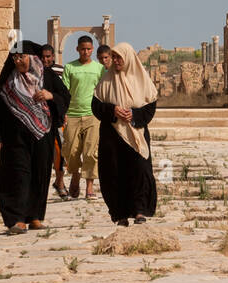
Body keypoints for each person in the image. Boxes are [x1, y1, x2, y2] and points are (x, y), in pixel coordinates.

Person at [0, 44, 56, 232]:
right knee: (17, 176)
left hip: (42, 137)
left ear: (32, 58)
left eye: (21, 57)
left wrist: (50, 96)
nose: (17, 61)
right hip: (13, 139)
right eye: (14, 58)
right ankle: (16, 219)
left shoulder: (46, 76)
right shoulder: (8, 81)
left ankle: (34, 216)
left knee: (39, 175)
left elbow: (63, 96)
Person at [91, 42, 158, 225]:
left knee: (140, 170)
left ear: (128, 58)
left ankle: (139, 211)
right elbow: (96, 106)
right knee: (113, 173)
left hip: (136, 133)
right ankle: (119, 213)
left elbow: (150, 106)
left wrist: (134, 114)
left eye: (119, 57)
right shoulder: (107, 79)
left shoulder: (141, 79)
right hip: (112, 135)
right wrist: (113, 110)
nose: (115, 60)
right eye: (114, 57)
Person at [62, 35, 105, 199]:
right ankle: (75, 174)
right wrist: (63, 113)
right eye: (82, 49)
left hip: (92, 115)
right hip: (72, 115)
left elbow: (103, 91)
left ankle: (89, 187)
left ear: (92, 50)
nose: (85, 52)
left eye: (88, 49)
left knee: (91, 153)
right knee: (71, 151)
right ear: (77, 49)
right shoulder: (70, 67)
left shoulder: (99, 69)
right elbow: (65, 92)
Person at [42, 44, 69, 195]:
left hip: (57, 117)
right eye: (43, 56)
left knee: (60, 151)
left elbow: (64, 94)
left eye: (48, 56)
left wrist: (64, 112)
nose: (45, 59)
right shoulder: (34, 72)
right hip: (40, 119)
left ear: (53, 57)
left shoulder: (61, 70)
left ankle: (60, 181)